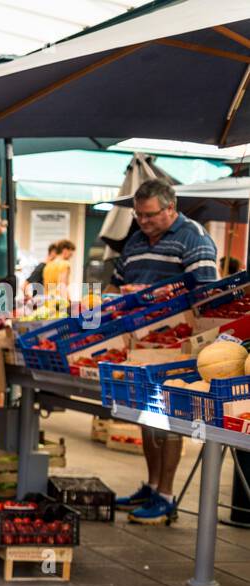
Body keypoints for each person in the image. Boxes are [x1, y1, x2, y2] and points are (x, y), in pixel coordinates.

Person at [108, 178, 219, 525]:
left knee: (169, 419)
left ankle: (167, 495)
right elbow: (116, 280)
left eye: (150, 215)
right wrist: (119, 296)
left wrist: (156, 295)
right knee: (144, 416)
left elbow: (206, 296)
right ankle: (152, 485)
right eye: (139, 215)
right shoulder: (136, 241)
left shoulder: (193, 238)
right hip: (139, 344)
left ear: (171, 208)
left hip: (177, 345)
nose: (143, 221)